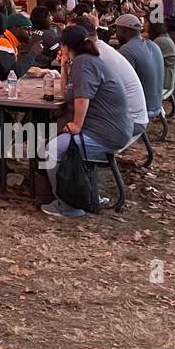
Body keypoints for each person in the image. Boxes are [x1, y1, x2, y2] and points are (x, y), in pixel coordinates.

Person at [41, 25, 133, 219]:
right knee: (63, 140)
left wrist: (76, 126)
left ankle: (68, 206)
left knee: (53, 149)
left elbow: (83, 98)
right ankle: (85, 195)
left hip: (106, 134)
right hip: (112, 129)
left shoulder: (85, 63)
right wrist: (64, 66)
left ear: (65, 46)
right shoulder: (85, 61)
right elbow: (66, 94)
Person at [114, 13, 164, 128]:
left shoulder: (127, 50)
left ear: (125, 31)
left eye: (117, 30)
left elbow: (121, 84)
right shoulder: (153, 44)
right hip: (157, 104)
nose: (115, 34)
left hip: (143, 111)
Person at [148, 20, 175, 92]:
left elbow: (149, 61)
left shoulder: (160, 41)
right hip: (168, 77)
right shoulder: (163, 36)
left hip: (165, 82)